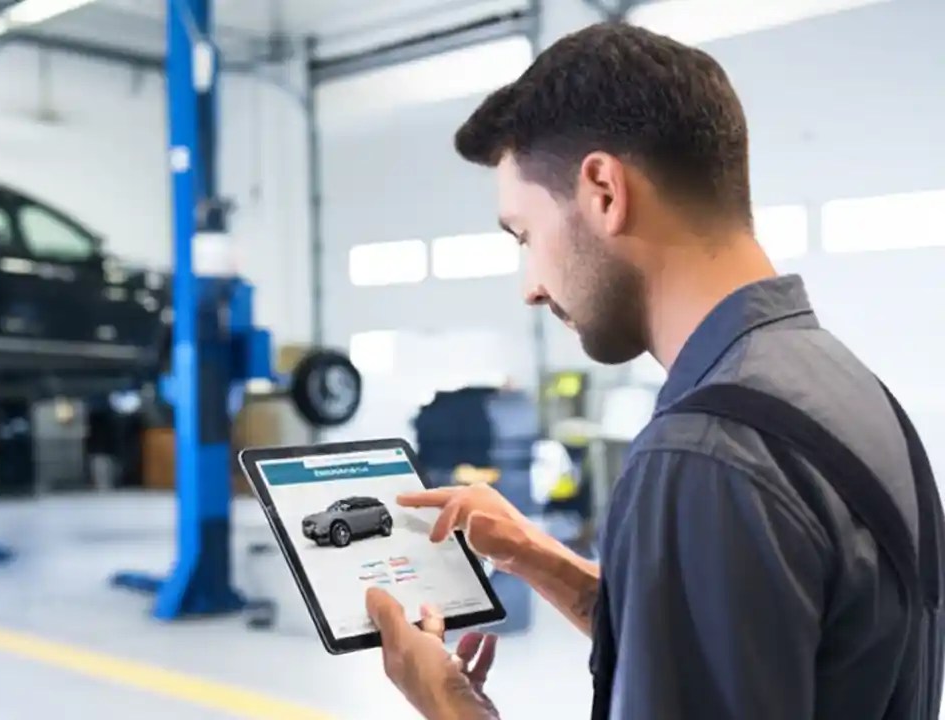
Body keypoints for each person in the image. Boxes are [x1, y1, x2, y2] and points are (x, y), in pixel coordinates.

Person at [365, 21, 945, 720]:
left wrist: (450, 703)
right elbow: (754, 650)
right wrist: (541, 559)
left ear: (604, 191)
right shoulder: (841, 388)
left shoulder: (704, 455)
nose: (530, 285)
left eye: (525, 236)